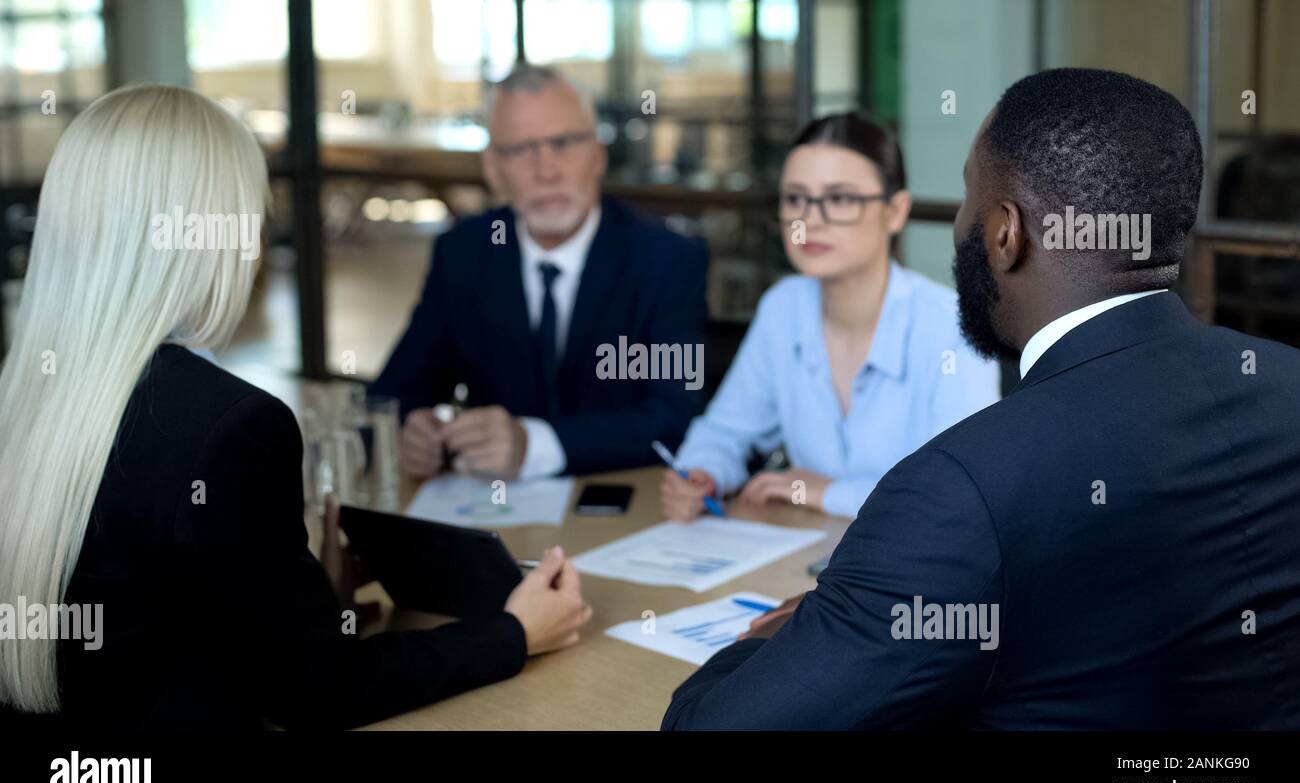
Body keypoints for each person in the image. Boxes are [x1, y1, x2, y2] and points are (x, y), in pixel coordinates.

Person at [662, 68, 1300, 730]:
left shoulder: (957, 489)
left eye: (970, 196)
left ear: (1005, 233)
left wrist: (771, 638)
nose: (959, 222)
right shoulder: (1288, 387)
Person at [0, 85, 591, 731]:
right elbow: (320, 693)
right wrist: (514, 632)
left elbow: (157, 617)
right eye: (251, 216)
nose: (254, 246)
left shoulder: (30, 392)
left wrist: (298, 600)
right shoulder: (228, 426)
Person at [371, 63, 709, 480]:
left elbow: (674, 419)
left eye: (564, 143)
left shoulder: (666, 259)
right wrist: (411, 434)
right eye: (520, 150)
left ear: (598, 155)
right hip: (492, 519)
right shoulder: (464, 253)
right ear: (493, 170)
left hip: (623, 513)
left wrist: (532, 444)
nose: (546, 170)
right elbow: (389, 398)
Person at [661, 113, 1000, 521]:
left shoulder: (952, 324)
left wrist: (833, 493)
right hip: (806, 559)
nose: (811, 220)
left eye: (840, 199)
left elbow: (959, 493)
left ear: (895, 211)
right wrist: (704, 472)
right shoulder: (784, 307)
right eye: (795, 198)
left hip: (922, 571)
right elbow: (726, 431)